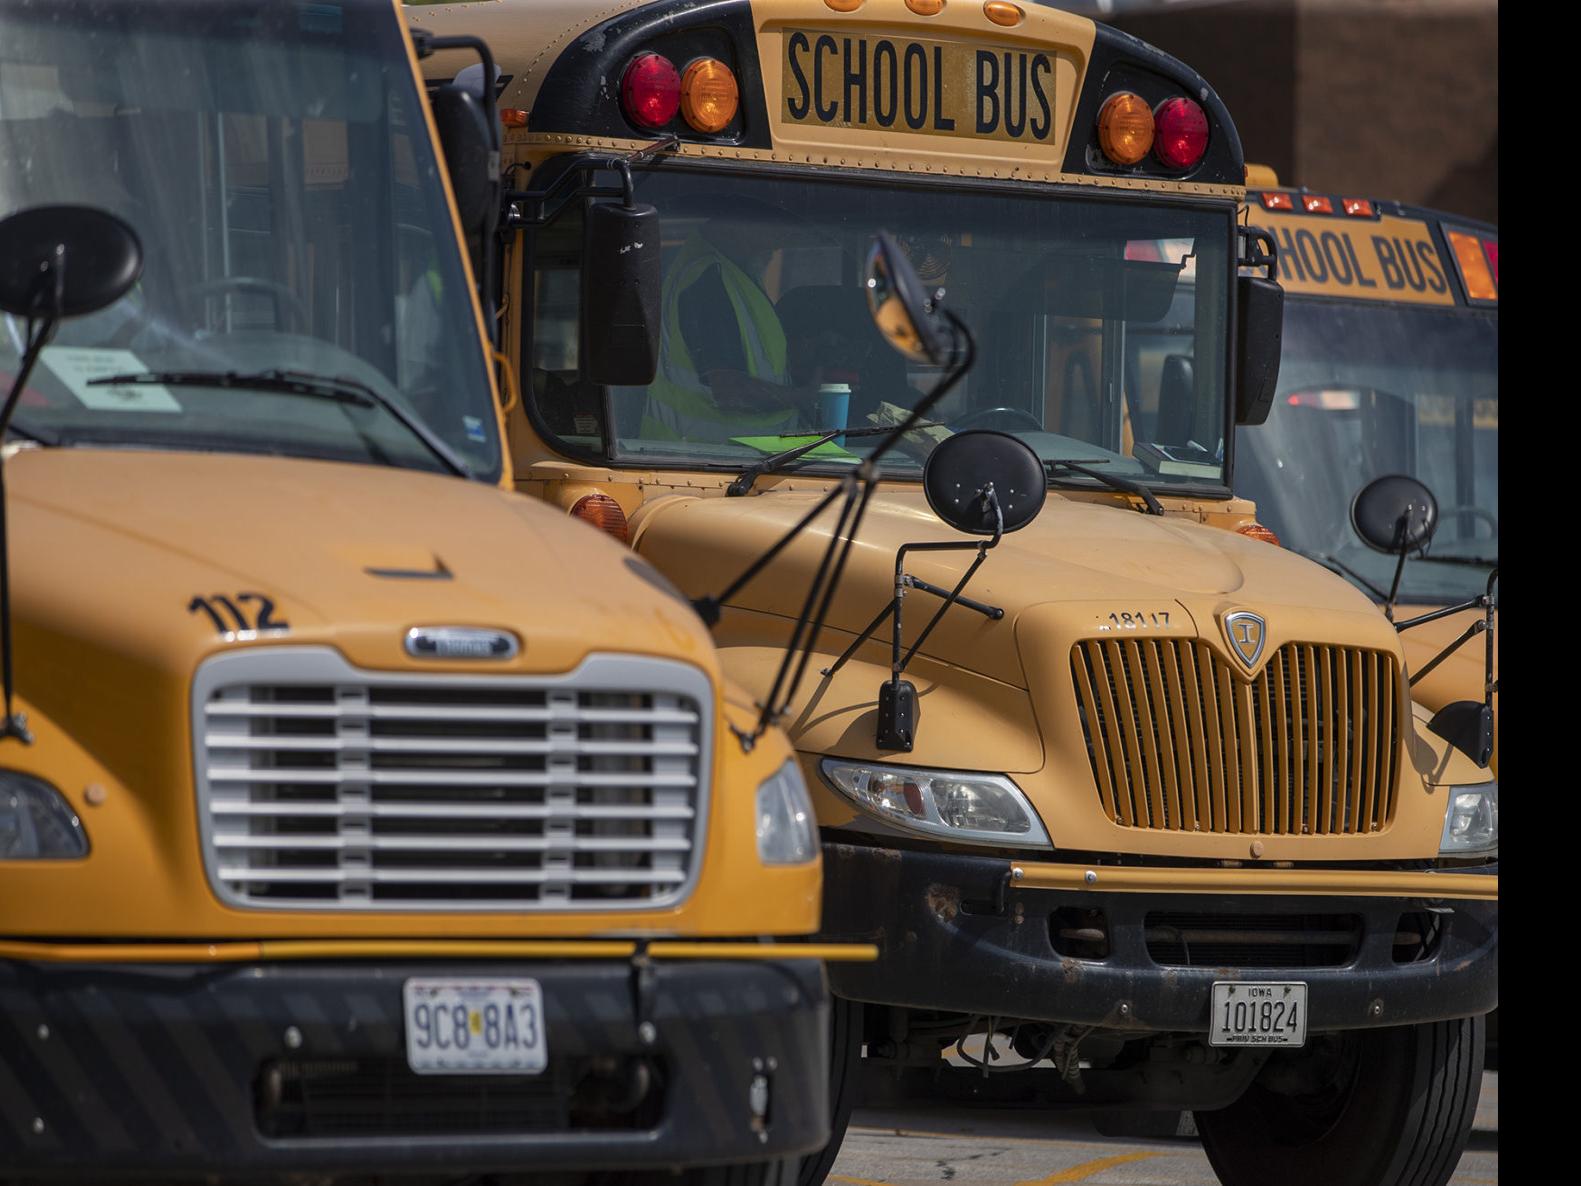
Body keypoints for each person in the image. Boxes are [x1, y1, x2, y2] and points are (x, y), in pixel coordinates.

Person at [639, 202, 823, 444]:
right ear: (741, 227)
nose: (774, 249)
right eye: (772, 237)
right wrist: (804, 396)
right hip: (699, 462)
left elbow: (751, 365)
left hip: (736, 458)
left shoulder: (731, 275)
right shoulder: (707, 282)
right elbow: (730, 391)